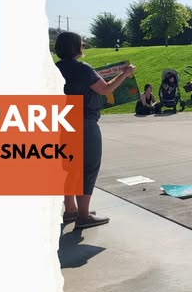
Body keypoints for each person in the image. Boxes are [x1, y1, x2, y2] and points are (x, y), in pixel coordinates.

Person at [55, 31, 135, 229]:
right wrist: (125, 73)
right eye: (81, 43)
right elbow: (105, 89)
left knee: (70, 167)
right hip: (84, 123)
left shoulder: (54, 68)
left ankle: (70, 209)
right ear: (75, 47)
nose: (83, 45)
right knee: (87, 167)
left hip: (63, 122)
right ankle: (83, 216)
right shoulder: (83, 69)